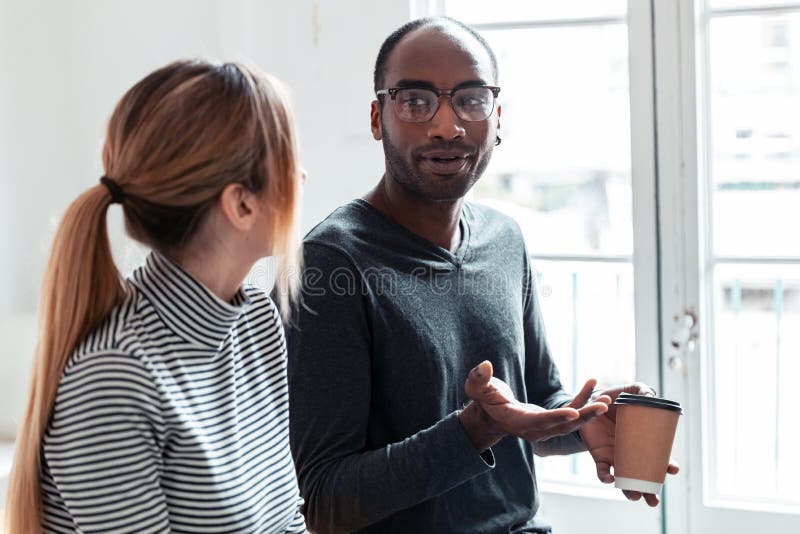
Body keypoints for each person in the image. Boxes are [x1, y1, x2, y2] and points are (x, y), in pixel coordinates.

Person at [284, 17, 678, 533]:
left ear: (497, 116)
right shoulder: (330, 263)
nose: (447, 125)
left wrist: (584, 422)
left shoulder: (504, 238)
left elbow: (535, 401)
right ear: (379, 118)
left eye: (470, 99)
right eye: (416, 100)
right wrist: (473, 430)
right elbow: (323, 502)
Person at [5, 60, 306, 533]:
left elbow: (287, 518)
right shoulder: (113, 376)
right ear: (241, 205)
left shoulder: (256, 322)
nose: (302, 176)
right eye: (289, 161)